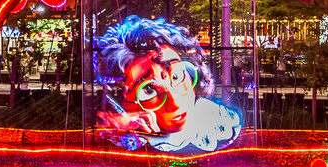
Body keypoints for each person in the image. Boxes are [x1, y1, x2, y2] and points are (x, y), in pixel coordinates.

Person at [94, 15, 242, 154]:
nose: (175, 102)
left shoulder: (217, 123)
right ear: (121, 99)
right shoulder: (123, 136)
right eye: (149, 89)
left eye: (177, 76)